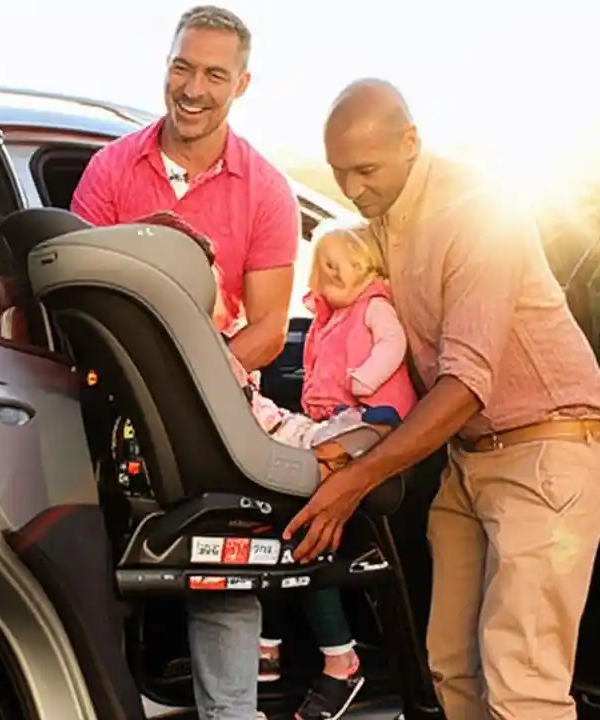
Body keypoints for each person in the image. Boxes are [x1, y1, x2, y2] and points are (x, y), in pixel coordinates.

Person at [284, 78, 600, 720]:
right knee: (448, 671)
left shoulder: (477, 215)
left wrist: (355, 478)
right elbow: (357, 313)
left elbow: (465, 383)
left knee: (522, 684)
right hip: (467, 462)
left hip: (547, 452)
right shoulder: (384, 224)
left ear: (410, 142)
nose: (352, 189)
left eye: (367, 169)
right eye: (338, 172)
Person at [70, 6, 300, 719]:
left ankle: (231, 713)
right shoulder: (111, 169)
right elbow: (74, 296)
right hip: (108, 404)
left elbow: (267, 329)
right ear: (166, 65)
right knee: (94, 570)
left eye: (214, 74)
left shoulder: (267, 190)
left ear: (243, 84)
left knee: (223, 569)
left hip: (217, 413)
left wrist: (197, 382)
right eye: (181, 66)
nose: (193, 88)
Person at [249, 221, 418, 720]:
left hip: (376, 420)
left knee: (309, 518)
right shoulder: (326, 318)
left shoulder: (374, 306)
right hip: (337, 422)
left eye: (347, 263)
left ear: (369, 268)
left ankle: (340, 661)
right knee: (289, 524)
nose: (334, 273)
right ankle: (269, 643)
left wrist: (362, 380)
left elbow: (393, 345)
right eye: (324, 265)